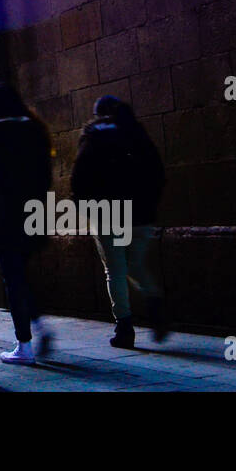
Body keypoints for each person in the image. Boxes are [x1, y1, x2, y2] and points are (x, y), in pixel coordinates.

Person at [72, 95, 168, 349]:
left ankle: (124, 328)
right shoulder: (136, 131)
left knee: (114, 270)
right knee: (135, 265)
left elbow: (80, 174)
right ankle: (154, 300)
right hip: (141, 214)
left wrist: (83, 206)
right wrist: (150, 204)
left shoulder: (93, 134)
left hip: (107, 213)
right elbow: (157, 171)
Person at [0, 82, 54, 364]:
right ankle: (38, 325)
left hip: (3, 219)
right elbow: (45, 175)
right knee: (22, 275)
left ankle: (25, 343)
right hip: (33, 214)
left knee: (14, 279)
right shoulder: (36, 130)